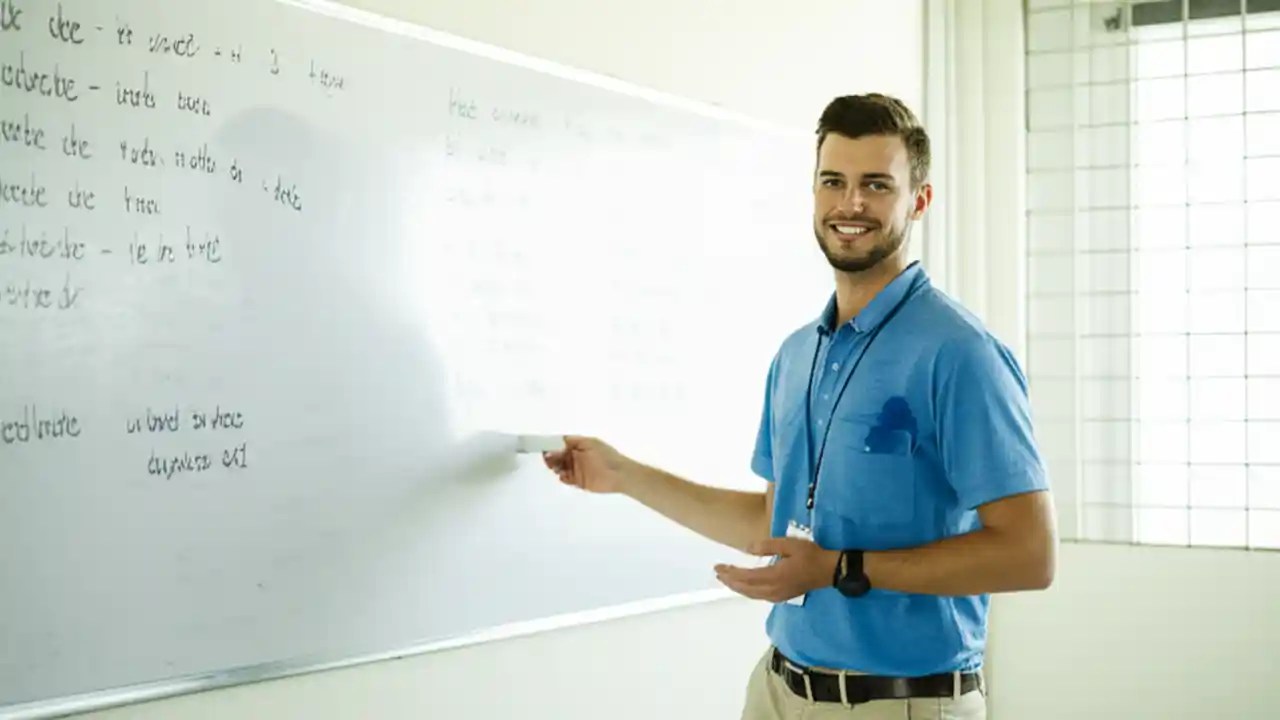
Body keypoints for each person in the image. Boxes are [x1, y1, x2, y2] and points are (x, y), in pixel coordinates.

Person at [542, 93, 1057, 720]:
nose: (851, 204)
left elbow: (1030, 555)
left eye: (876, 185)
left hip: (899, 703)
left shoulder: (960, 353)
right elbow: (771, 522)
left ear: (919, 201)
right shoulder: (796, 355)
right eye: (833, 181)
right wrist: (623, 475)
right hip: (778, 690)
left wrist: (839, 568)